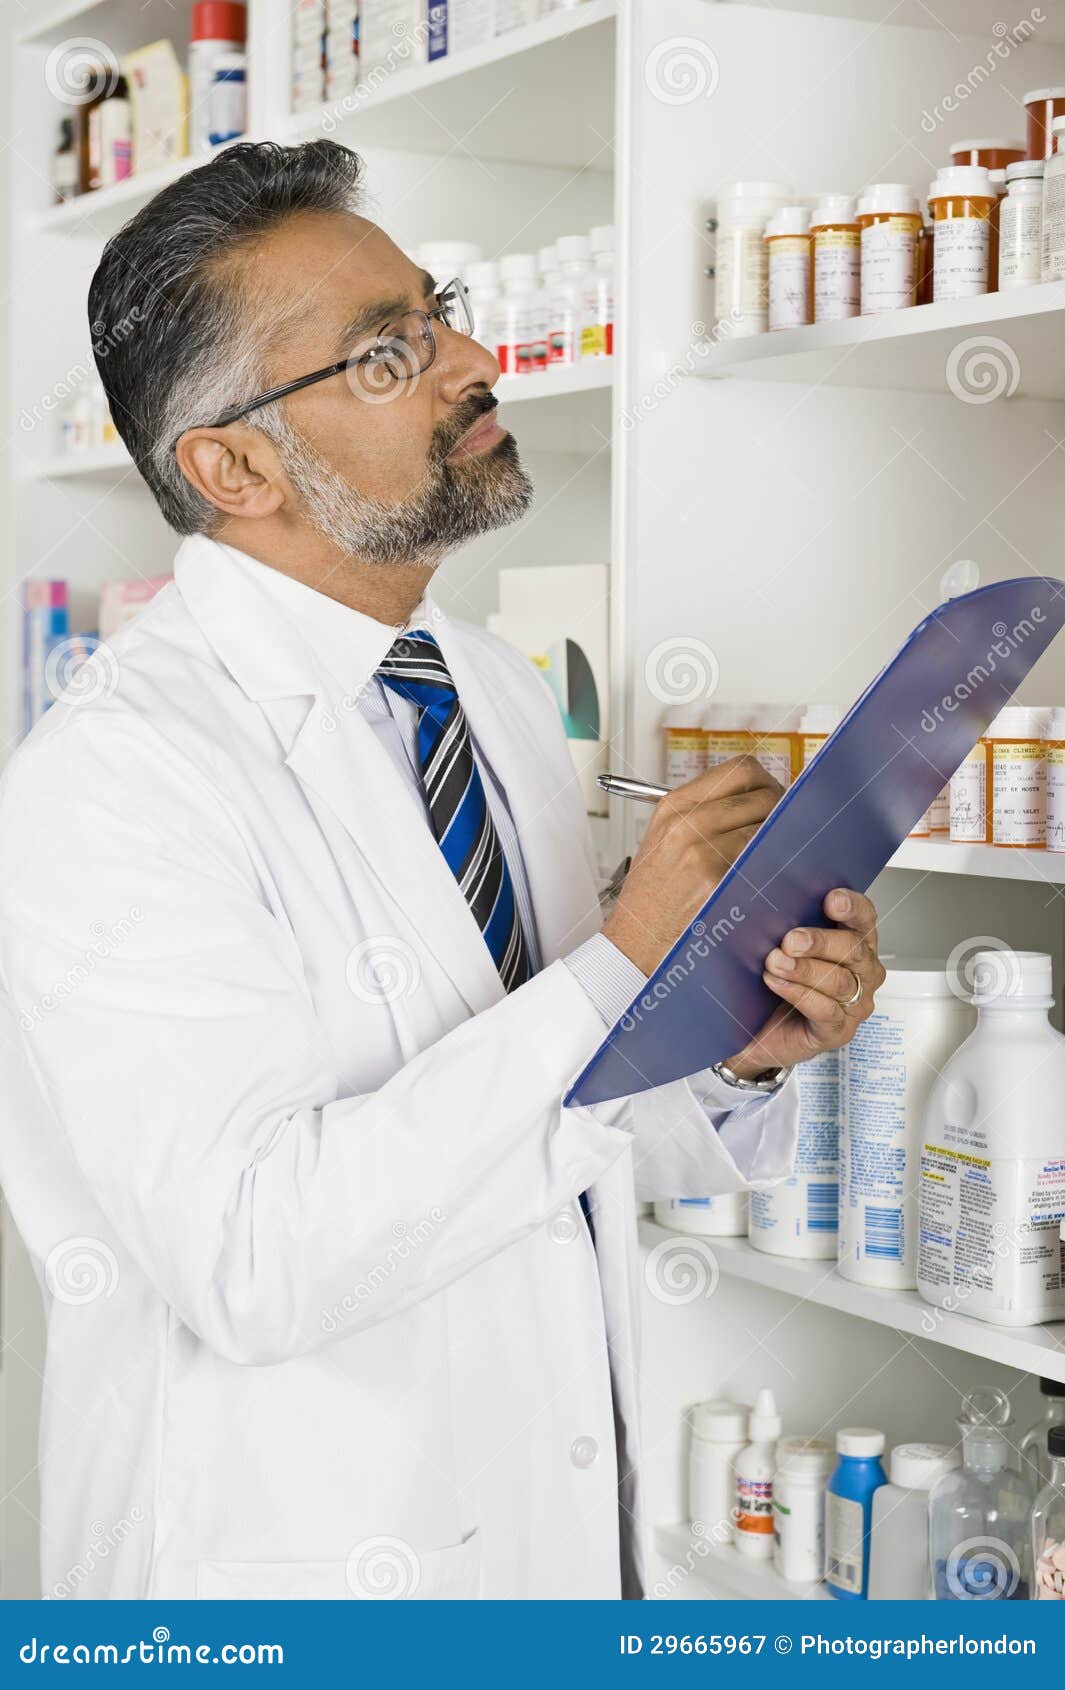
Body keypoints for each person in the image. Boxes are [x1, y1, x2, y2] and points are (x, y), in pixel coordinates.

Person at [0, 141, 884, 1601]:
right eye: (385, 355)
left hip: (541, 1546)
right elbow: (252, 1262)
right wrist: (621, 961)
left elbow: (555, 1122)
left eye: (440, 314)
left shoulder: (485, 688)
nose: (473, 365)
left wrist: (730, 1048)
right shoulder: (112, 779)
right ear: (233, 467)